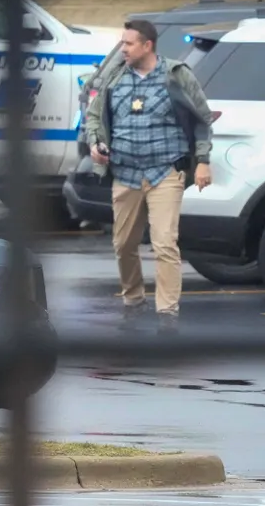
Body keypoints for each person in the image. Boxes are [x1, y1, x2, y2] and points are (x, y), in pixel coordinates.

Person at [81, 19, 215, 336]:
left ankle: (167, 313)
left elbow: (202, 118)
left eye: (128, 44)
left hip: (165, 171)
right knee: (123, 244)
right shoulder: (113, 77)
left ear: (147, 45)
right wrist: (96, 145)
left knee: (165, 243)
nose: (123, 49)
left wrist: (203, 161)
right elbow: (94, 118)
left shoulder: (176, 75)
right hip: (125, 173)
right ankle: (134, 301)